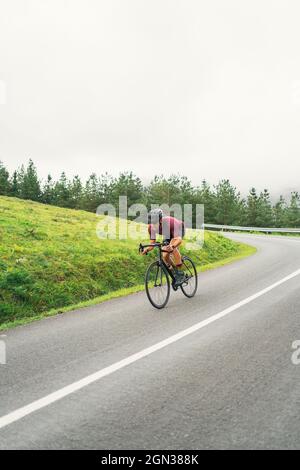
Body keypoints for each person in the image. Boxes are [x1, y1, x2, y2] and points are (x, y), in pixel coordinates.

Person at [142, 208, 185, 285]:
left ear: (161, 220)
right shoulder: (151, 227)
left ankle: (179, 271)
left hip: (178, 228)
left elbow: (178, 240)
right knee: (165, 255)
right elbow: (152, 244)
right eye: (152, 222)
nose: (153, 225)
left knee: (172, 248)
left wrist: (172, 246)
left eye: (155, 223)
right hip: (168, 234)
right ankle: (174, 271)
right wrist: (147, 249)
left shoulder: (170, 223)